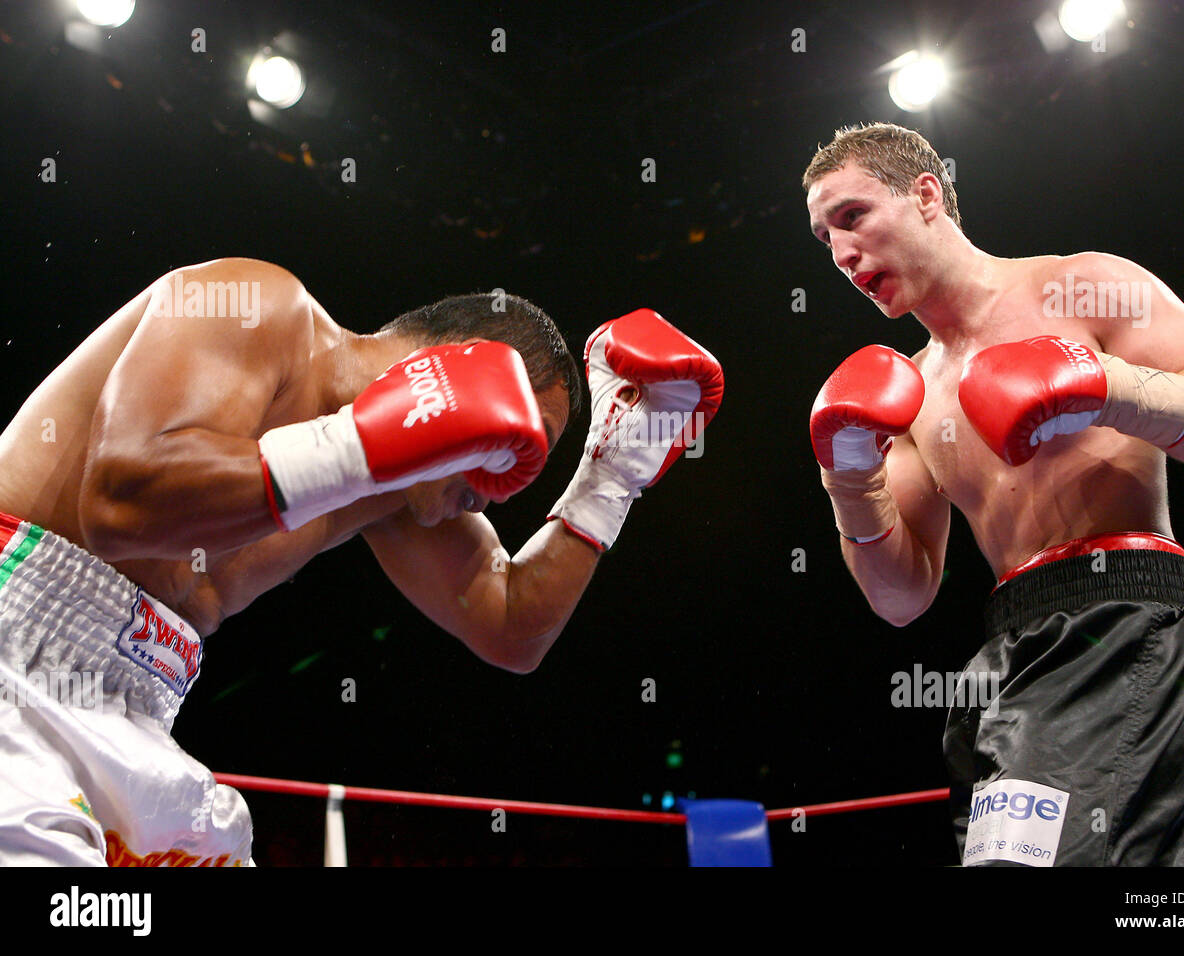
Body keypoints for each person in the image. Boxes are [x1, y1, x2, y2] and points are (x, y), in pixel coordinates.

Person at [0, 257, 723, 866]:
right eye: (506, 446)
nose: (494, 494)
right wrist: (363, 446)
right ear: (455, 380)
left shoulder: (389, 489)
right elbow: (121, 504)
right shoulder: (257, 306)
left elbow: (510, 627)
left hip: (138, 713)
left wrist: (610, 479)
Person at [803, 123, 1184, 866]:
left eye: (852, 216)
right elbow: (900, 598)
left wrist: (1106, 386)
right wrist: (849, 480)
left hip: (1125, 621)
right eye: (824, 237)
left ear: (926, 195)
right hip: (1009, 649)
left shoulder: (1080, 286)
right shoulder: (909, 395)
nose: (840, 253)